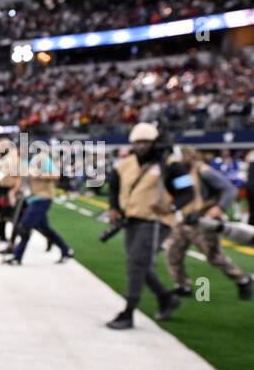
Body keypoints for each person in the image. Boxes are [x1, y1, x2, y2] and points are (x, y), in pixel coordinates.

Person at [105, 122, 182, 329]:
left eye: (145, 142)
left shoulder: (170, 164)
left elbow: (187, 191)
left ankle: (128, 312)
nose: (141, 146)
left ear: (155, 142)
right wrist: (113, 208)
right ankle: (166, 298)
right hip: (132, 219)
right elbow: (113, 186)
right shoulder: (125, 163)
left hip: (157, 220)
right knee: (140, 264)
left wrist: (172, 207)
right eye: (137, 142)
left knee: (136, 264)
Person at [164, 147, 253, 301]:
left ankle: (243, 280)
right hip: (186, 220)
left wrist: (219, 207)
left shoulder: (204, 171)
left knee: (214, 257)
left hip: (203, 221)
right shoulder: (183, 172)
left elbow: (229, 189)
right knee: (173, 251)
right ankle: (182, 285)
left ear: (189, 156)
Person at [3, 141, 74, 265]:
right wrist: (14, 191)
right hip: (32, 198)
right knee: (45, 229)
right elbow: (23, 177)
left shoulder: (43, 158)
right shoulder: (27, 160)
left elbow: (56, 175)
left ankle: (17, 257)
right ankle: (66, 250)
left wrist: (38, 174)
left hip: (42, 198)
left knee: (24, 227)